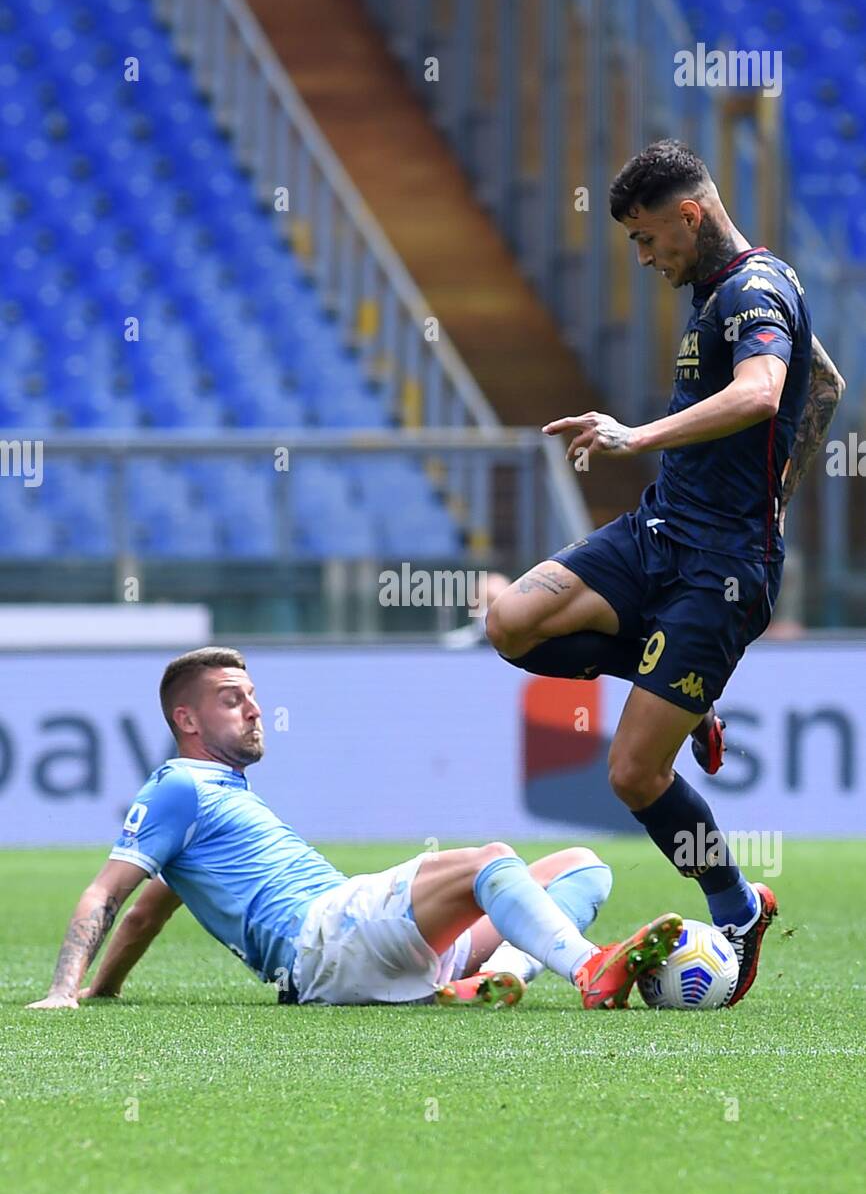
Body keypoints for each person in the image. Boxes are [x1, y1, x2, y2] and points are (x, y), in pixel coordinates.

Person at [486, 139, 846, 1007]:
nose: (645, 260)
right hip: (657, 529)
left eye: (649, 240)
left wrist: (638, 436)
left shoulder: (756, 291)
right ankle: (677, 682)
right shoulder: (717, 292)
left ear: (689, 214)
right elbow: (824, 385)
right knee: (511, 623)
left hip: (722, 566)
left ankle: (735, 906)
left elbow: (768, 392)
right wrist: (784, 490)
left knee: (632, 777)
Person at [27, 647, 682, 1013]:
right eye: (232, 699)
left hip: (364, 944)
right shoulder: (175, 786)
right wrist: (64, 993)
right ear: (187, 720)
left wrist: (105, 988)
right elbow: (106, 894)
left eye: (253, 695)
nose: (255, 708)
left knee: (582, 866)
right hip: (326, 939)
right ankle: (590, 969)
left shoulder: (216, 801)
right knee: (492, 861)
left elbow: (149, 912)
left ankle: (489, 978)